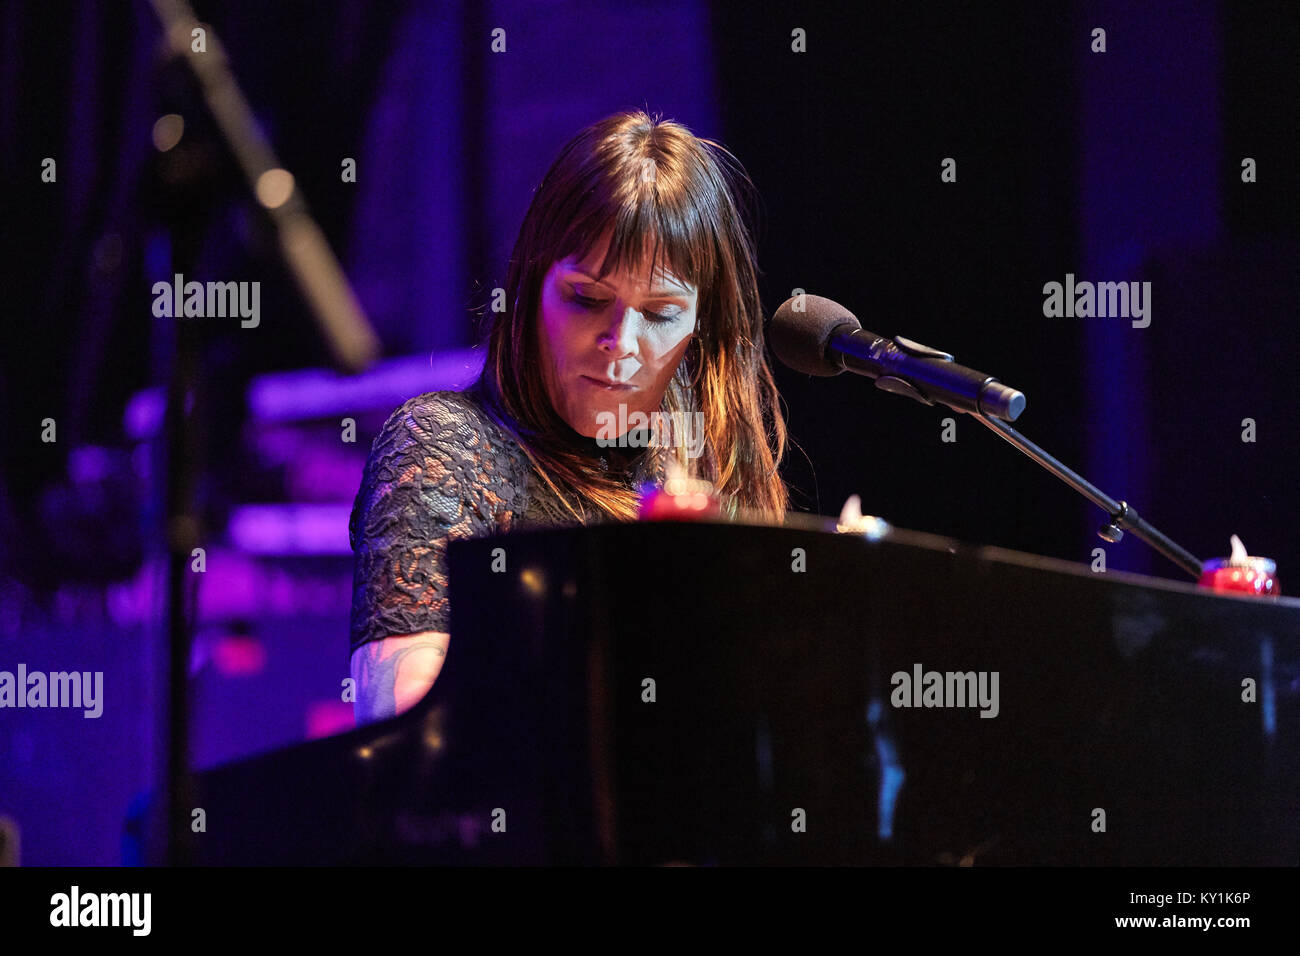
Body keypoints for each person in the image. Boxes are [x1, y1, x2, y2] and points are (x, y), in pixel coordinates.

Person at [347, 109, 789, 723]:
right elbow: (410, 723)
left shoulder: (704, 460)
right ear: (532, 286)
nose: (622, 342)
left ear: (701, 326)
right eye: (587, 298)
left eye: (660, 313)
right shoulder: (443, 445)